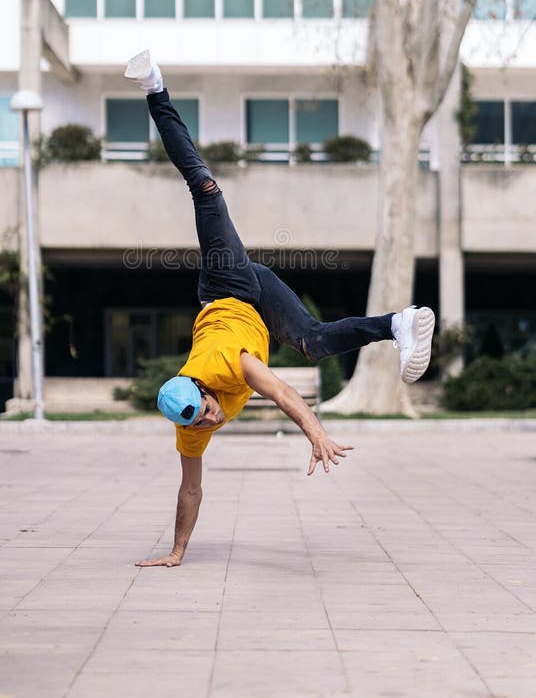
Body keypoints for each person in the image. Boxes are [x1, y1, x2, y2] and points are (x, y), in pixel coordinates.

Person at [125, 50, 435, 568]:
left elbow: (282, 391)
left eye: (205, 412)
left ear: (201, 389)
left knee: (204, 189)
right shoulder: (187, 426)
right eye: (202, 423)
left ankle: (155, 90)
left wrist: (316, 434)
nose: (210, 420)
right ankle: (396, 324)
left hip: (226, 286)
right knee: (312, 341)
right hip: (259, 303)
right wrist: (177, 551)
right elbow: (190, 491)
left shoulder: (224, 367)